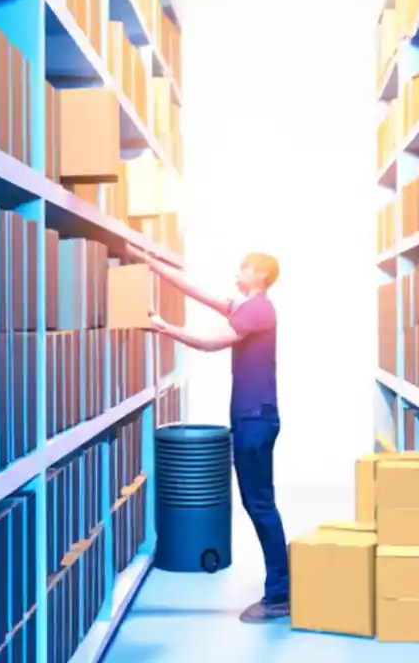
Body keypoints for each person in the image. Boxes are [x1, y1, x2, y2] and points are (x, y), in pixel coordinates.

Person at [130, 248, 290, 623]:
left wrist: (163, 327)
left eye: (244, 267)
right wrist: (154, 266)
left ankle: (280, 594)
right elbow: (200, 292)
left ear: (262, 276)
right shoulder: (248, 306)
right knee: (259, 504)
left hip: (255, 420)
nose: (238, 271)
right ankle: (281, 586)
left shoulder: (259, 309)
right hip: (251, 418)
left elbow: (210, 343)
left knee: (260, 505)